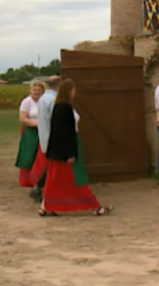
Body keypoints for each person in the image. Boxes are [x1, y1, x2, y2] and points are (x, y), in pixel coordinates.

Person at [39, 79, 112, 217]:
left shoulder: (58, 106)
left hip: (57, 151)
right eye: (73, 89)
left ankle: (45, 206)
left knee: (53, 179)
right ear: (69, 91)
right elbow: (67, 132)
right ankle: (94, 206)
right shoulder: (65, 107)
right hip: (63, 152)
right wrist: (71, 153)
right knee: (75, 180)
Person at [16, 81, 45, 187]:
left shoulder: (44, 101)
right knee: (29, 154)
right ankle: (27, 179)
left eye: (39, 90)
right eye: (35, 90)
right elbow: (22, 118)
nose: (36, 92)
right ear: (31, 90)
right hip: (30, 130)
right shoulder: (27, 102)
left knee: (41, 154)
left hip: (43, 130)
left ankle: (39, 178)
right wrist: (36, 124)